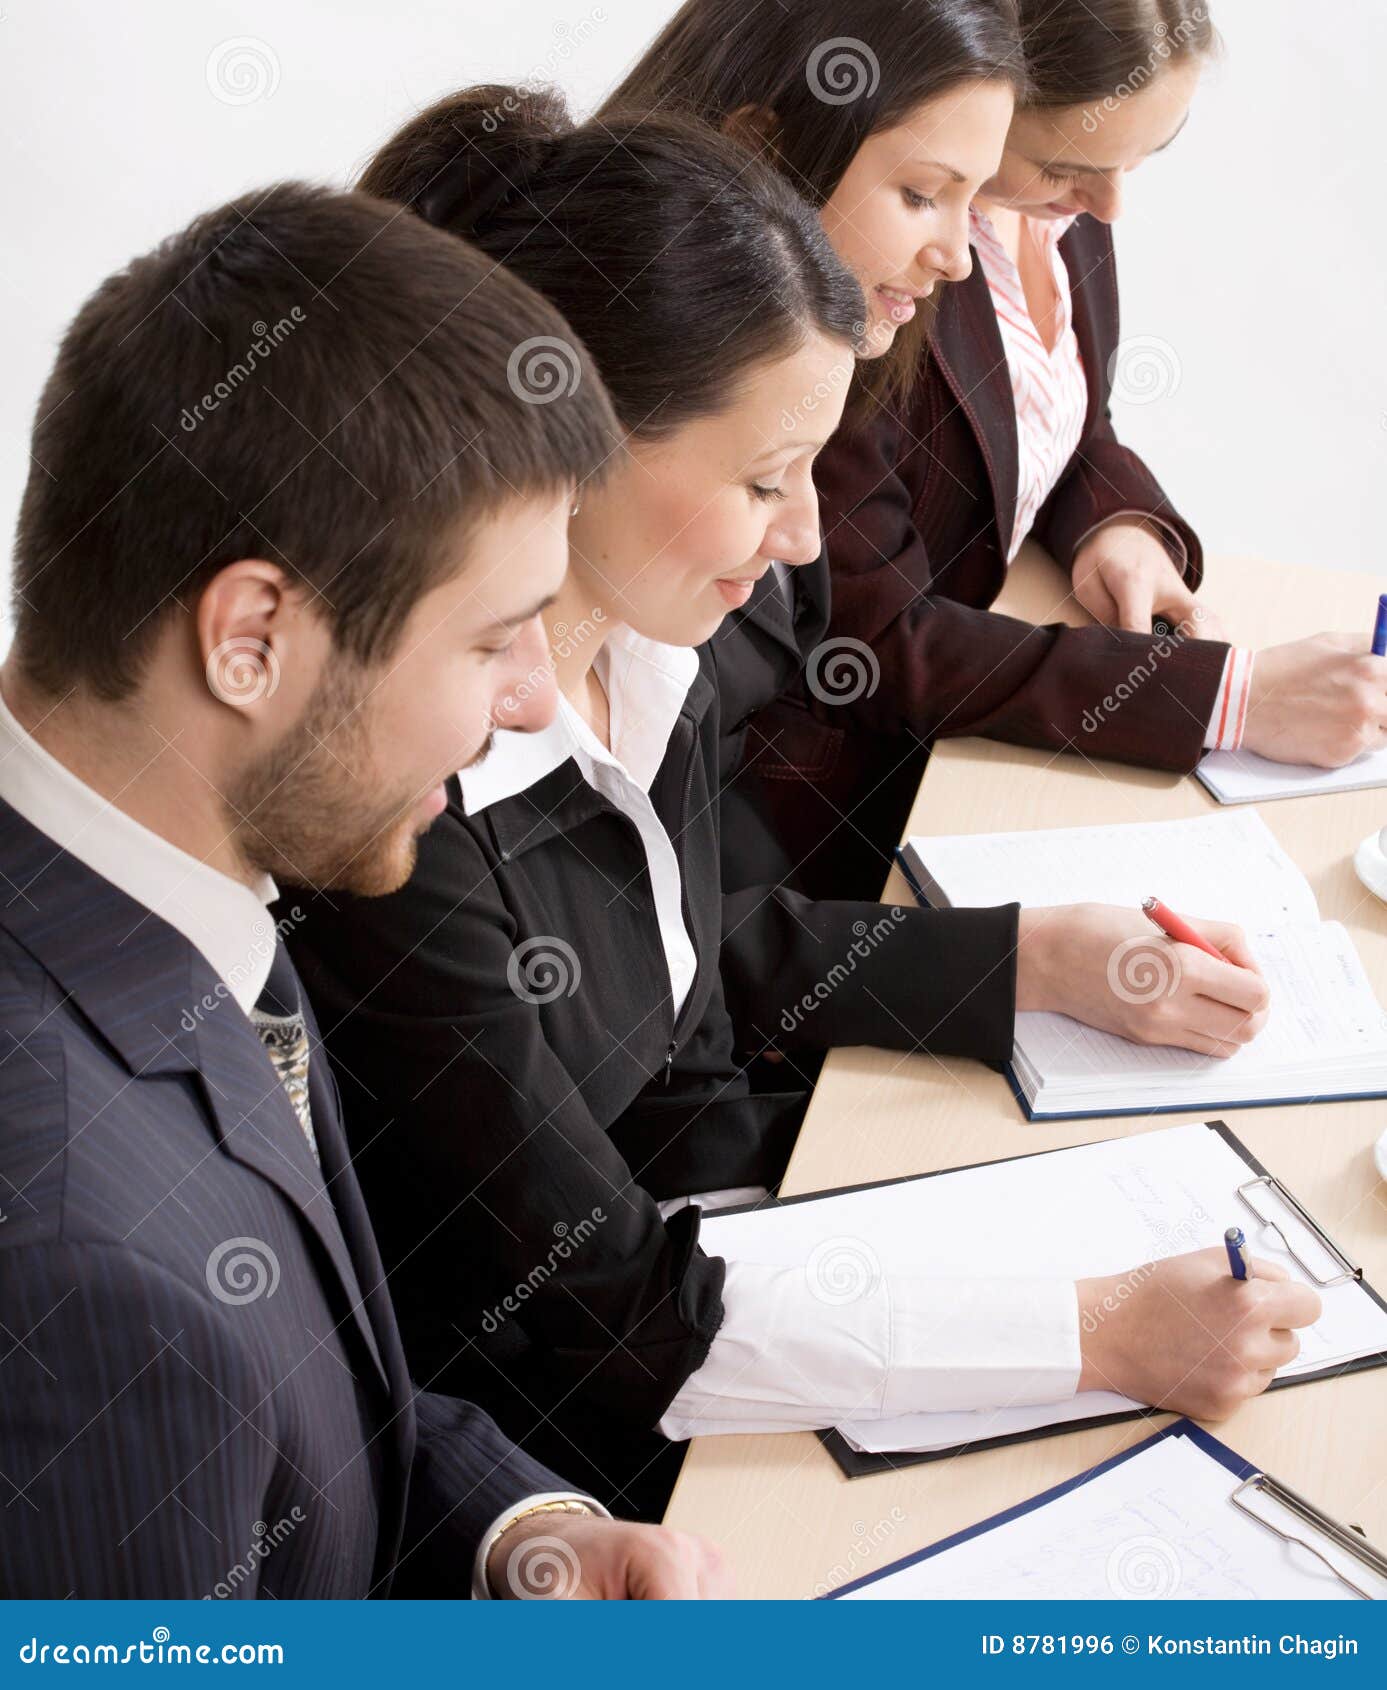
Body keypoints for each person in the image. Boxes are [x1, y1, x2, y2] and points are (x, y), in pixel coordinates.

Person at [288, 92, 1316, 1522]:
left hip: (744, 1245)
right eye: (768, 479)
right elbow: (604, 1313)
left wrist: (1028, 957)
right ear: (569, 446)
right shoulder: (403, 822)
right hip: (587, 1445)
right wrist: (1092, 1331)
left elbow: (679, 957)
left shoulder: (657, 652)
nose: (806, 536)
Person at [0, 181, 726, 1600]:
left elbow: (304, 1408)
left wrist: (521, 1538)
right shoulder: (87, 1267)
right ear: (251, 639)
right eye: (493, 639)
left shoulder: (174, 875)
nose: (532, 700)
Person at [608, 0, 1387, 912]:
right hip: (815, 822)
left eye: (1144, 155)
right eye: (1064, 165)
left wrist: (1111, 523)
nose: (1110, 204)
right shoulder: (858, 282)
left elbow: (1056, 421)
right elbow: (869, 630)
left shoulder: (1037, 216)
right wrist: (1223, 697)